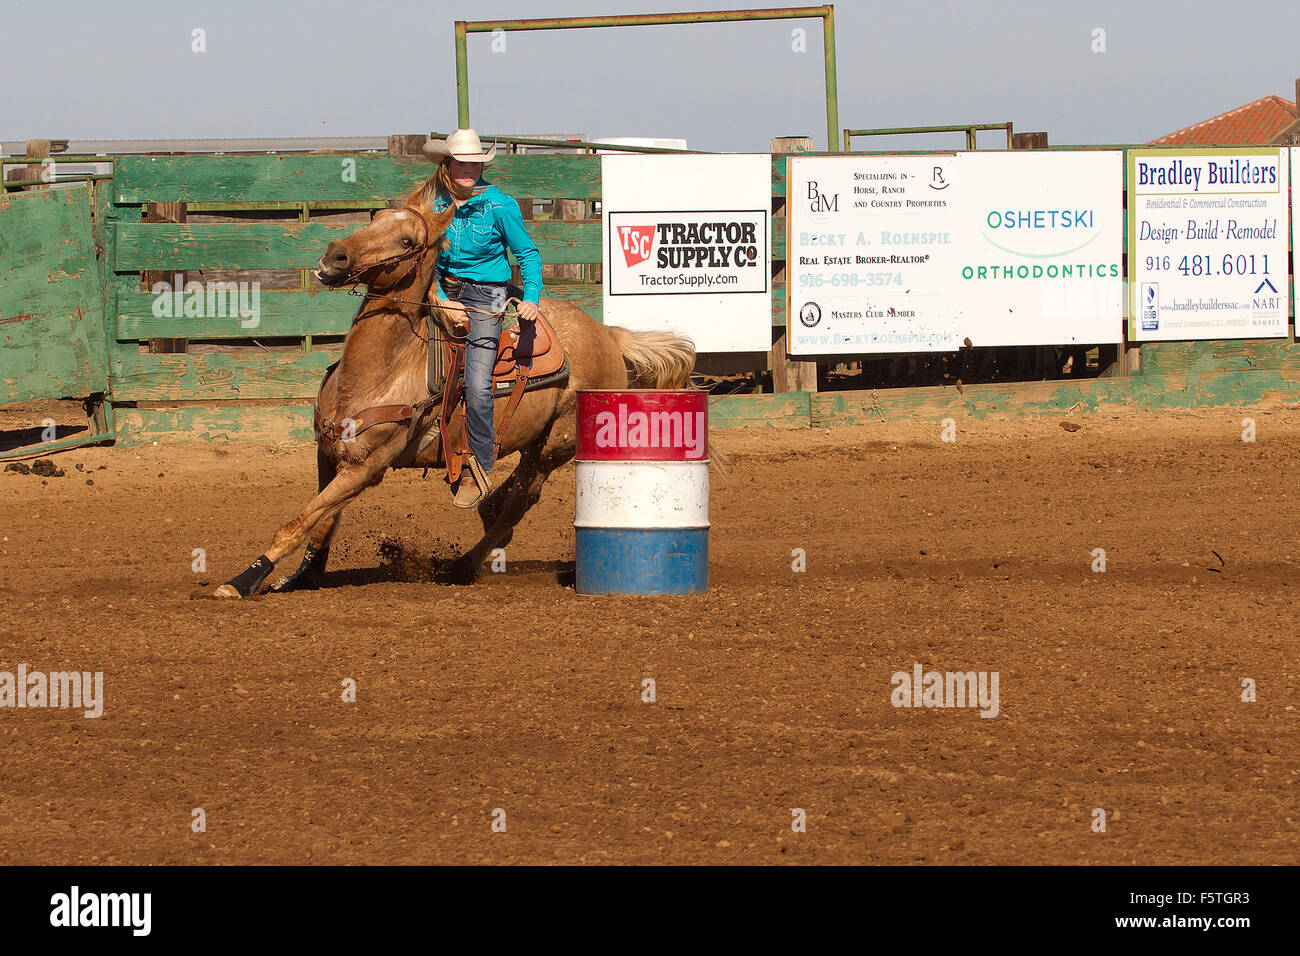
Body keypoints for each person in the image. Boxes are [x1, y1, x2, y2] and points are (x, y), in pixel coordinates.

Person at [421, 129, 543, 509]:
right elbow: (426, 256)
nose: (470, 169)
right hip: (442, 290)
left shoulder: (500, 205)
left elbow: (528, 254)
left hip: (487, 297)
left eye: (476, 162)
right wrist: (441, 299)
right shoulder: (434, 202)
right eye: (462, 162)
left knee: (476, 384)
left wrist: (532, 298)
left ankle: (479, 467)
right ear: (448, 164)